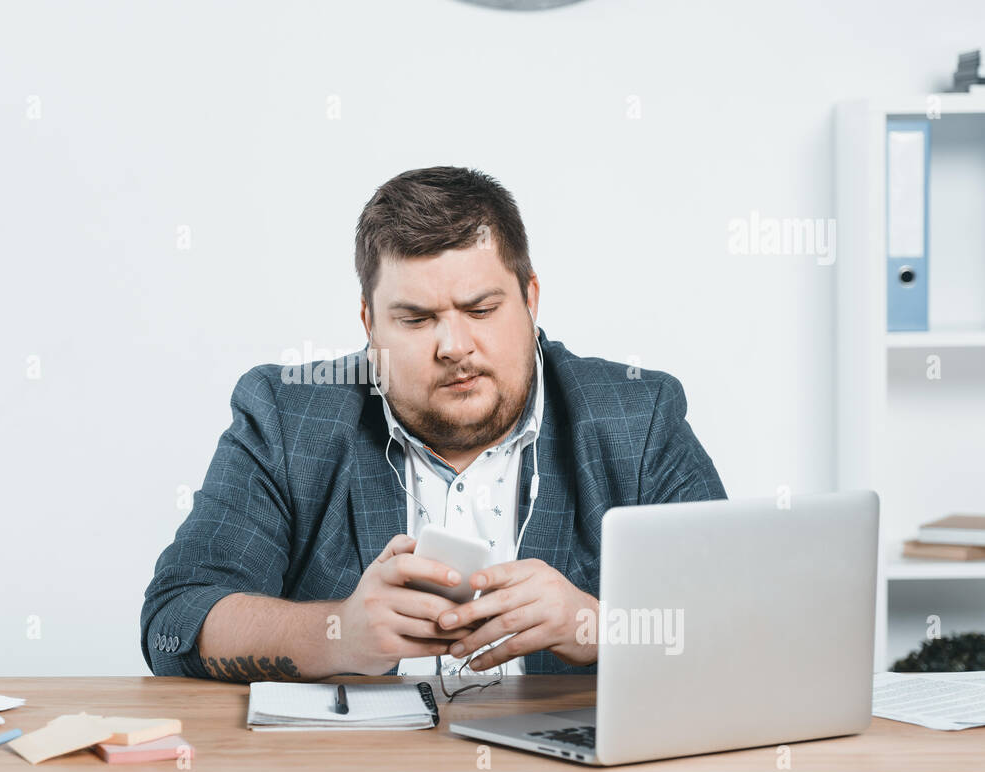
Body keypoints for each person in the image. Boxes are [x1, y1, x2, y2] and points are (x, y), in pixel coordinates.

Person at [142, 166, 726, 683]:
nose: (454, 346)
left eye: (481, 310)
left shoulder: (637, 415)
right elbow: (173, 623)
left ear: (531, 298)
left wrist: (597, 625)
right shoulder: (288, 416)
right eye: (417, 319)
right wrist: (338, 631)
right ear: (370, 324)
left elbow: (738, 621)